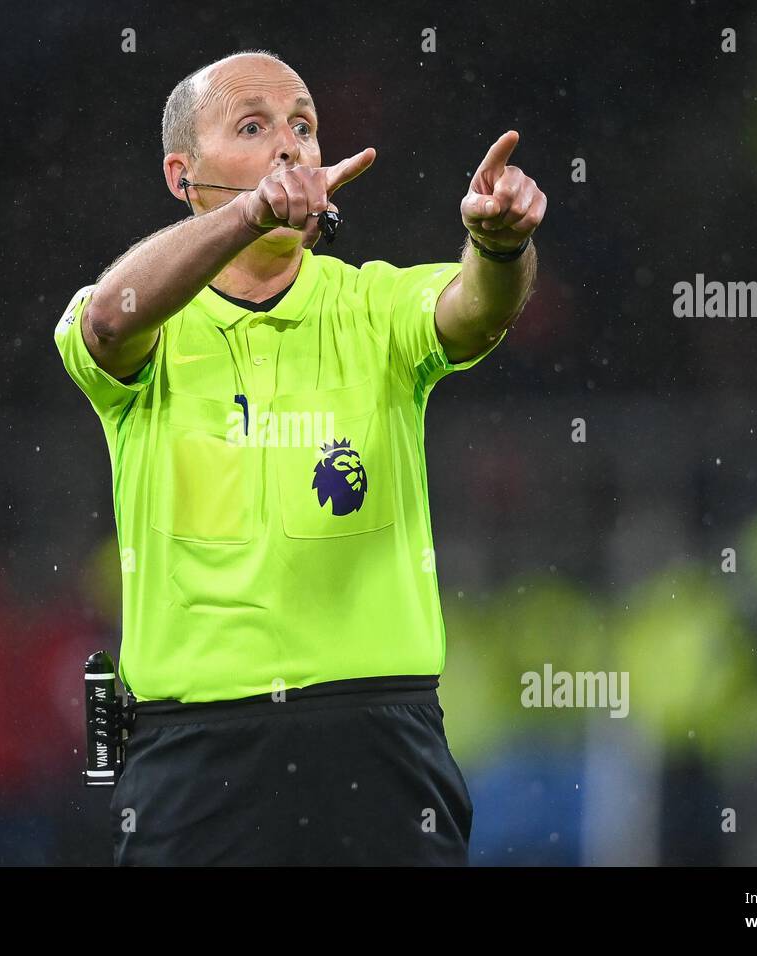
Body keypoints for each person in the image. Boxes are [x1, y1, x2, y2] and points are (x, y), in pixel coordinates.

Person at [53, 50, 546, 865]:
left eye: (304, 127)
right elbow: (109, 319)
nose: (291, 146)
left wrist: (498, 247)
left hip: (380, 745)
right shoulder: (150, 325)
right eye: (254, 126)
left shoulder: (375, 305)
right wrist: (247, 217)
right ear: (184, 175)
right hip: (196, 758)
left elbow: (474, 312)